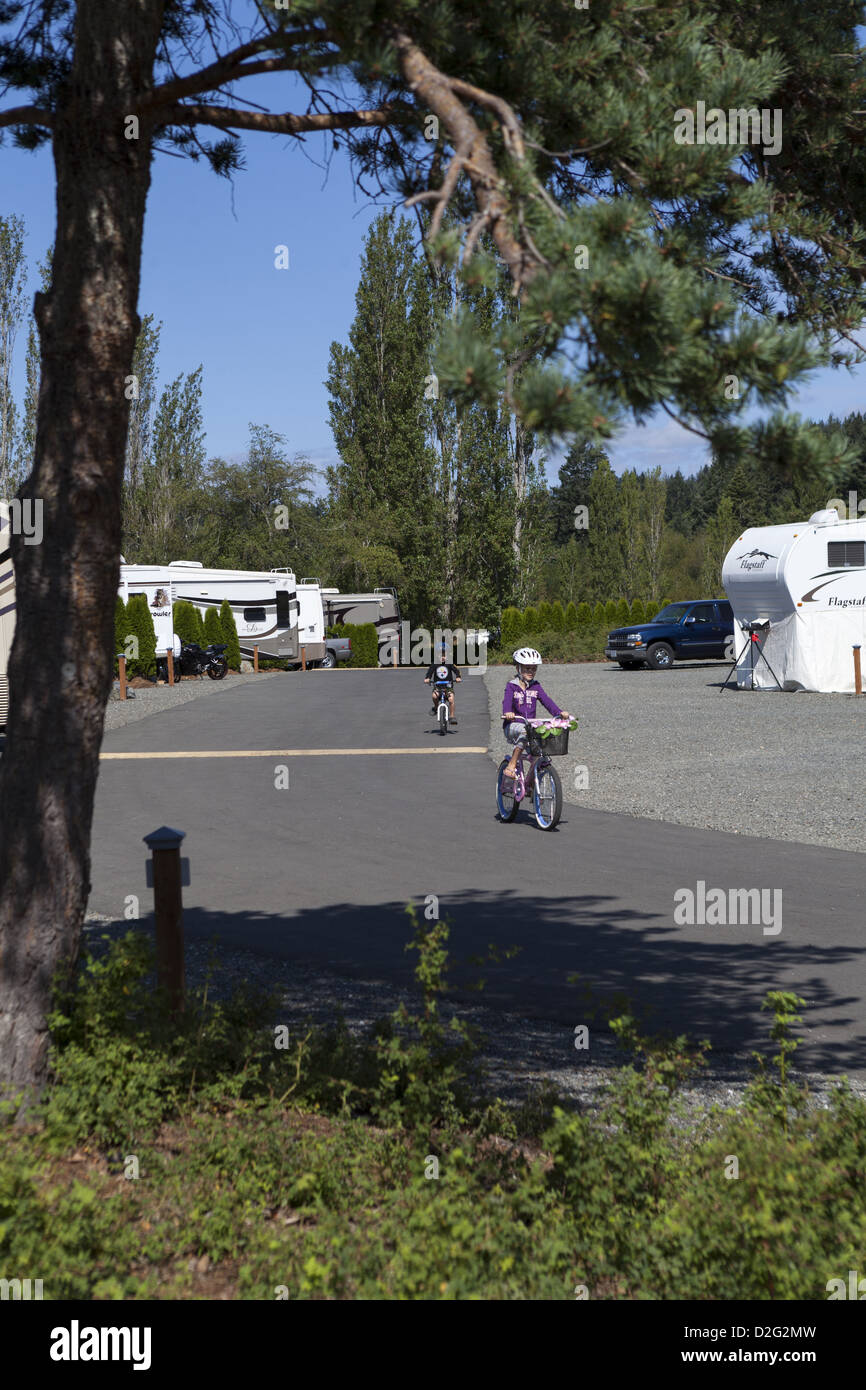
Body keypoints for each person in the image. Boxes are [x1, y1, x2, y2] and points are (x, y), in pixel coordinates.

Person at [501, 647, 570, 778]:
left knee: (540, 749)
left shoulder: (535, 686)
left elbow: (547, 701)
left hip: (530, 725)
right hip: (512, 725)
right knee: (525, 732)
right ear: (518, 668)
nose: (531, 672)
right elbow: (507, 702)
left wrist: (559, 713)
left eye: (534, 668)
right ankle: (511, 764)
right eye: (527, 668)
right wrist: (507, 712)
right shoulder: (512, 686)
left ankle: (532, 784)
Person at [424, 643, 462, 720]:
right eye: (440, 655)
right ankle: (436, 707)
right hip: (438, 687)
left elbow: (457, 671)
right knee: (434, 696)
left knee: (451, 699)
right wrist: (427, 678)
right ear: (436, 655)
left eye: (444, 655)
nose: (442, 657)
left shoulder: (450, 663)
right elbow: (429, 672)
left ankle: (452, 716)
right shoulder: (434, 664)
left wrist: (458, 677)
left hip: (448, 687)